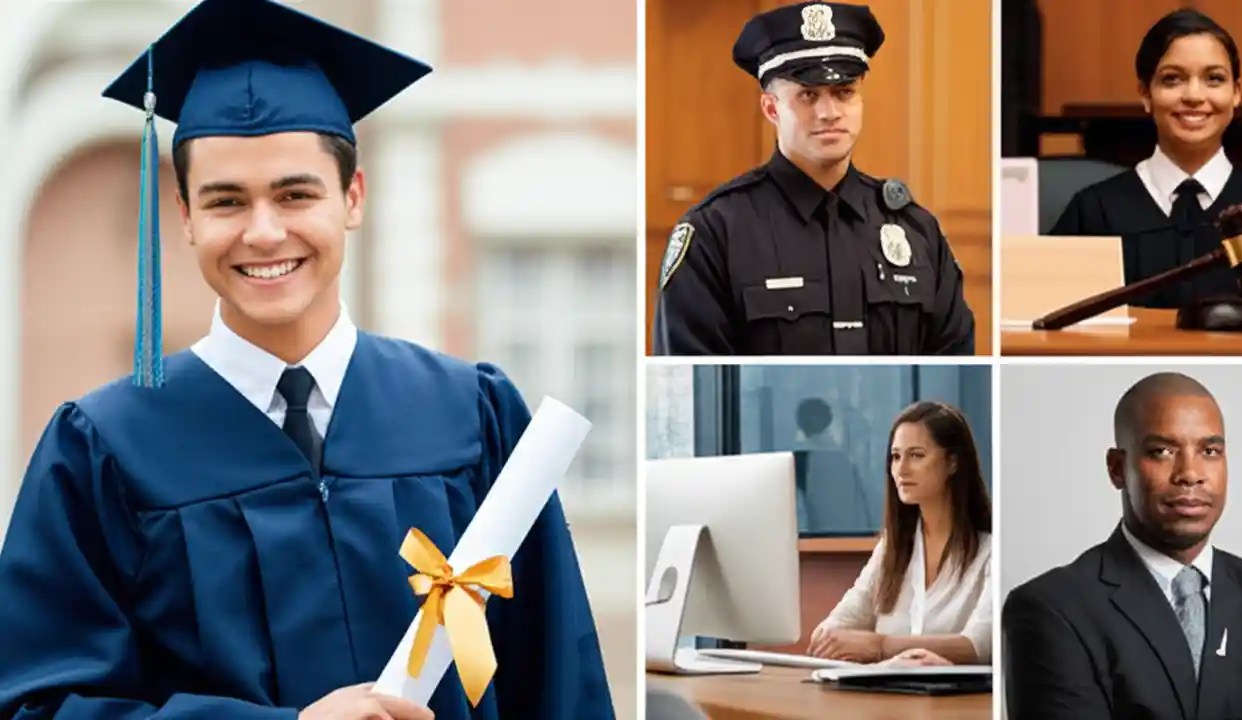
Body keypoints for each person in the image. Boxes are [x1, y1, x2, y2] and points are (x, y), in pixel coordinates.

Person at [0, 1, 612, 718]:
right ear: (187, 215)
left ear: (353, 197)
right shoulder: (102, 448)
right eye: (227, 201)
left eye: (295, 194)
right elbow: (39, 707)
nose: (264, 232)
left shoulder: (470, 414)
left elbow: (562, 684)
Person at [651, 2, 974, 356]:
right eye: (808, 95)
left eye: (844, 93)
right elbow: (691, 370)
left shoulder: (916, 229)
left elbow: (953, 355)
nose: (829, 112)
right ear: (772, 109)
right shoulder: (715, 234)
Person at [1003, 372, 1242, 720]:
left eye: (1210, 451)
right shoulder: (1052, 608)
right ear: (1117, 469)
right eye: (1162, 451)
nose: (1190, 473)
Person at [1050, 9, 1242, 309]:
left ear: (1236, 93)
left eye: (1214, 79)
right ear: (1146, 94)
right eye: (1172, 79)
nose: (1194, 95)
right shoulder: (1095, 211)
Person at [807, 401, 992, 665]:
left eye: (916, 455)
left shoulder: (991, 551)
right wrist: (832, 639)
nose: (901, 470)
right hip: (885, 698)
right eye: (895, 456)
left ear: (953, 462)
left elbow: (979, 646)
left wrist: (880, 645)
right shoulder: (892, 547)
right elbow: (832, 631)